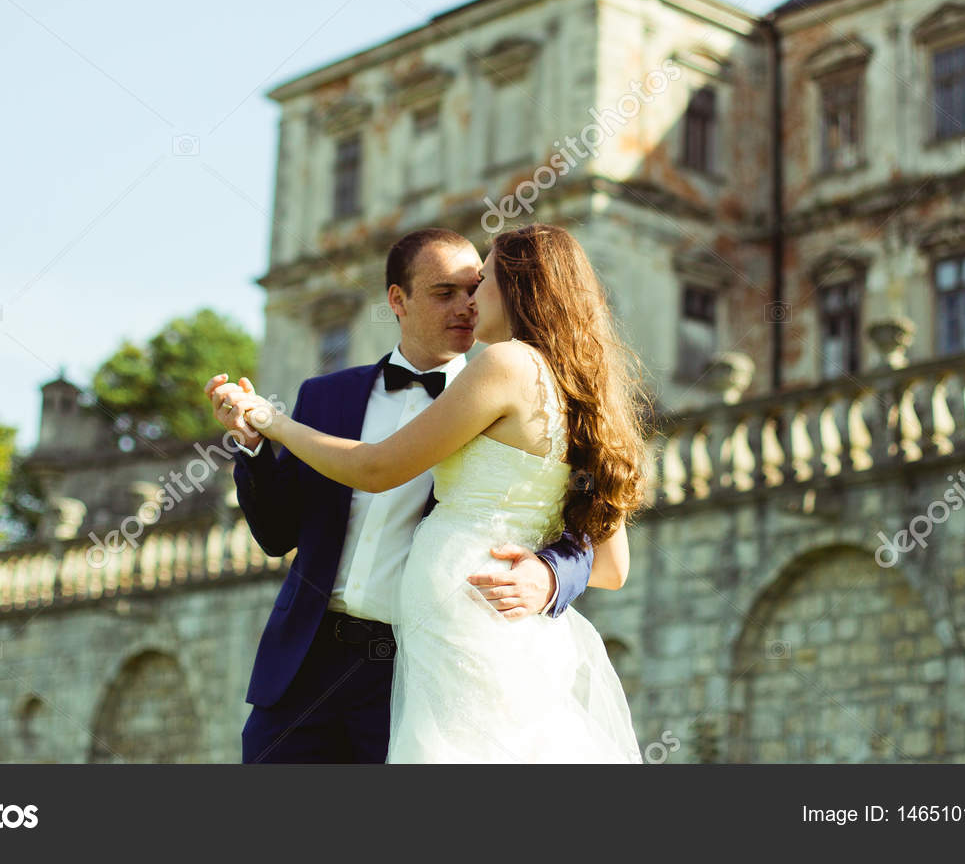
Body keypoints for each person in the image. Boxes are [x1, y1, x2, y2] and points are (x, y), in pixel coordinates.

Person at [213, 223, 648, 762]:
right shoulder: (327, 396)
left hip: (417, 660)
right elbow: (278, 533)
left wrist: (550, 572)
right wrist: (256, 443)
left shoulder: (504, 369)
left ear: (513, 287)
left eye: (477, 285)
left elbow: (593, 539)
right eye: (447, 292)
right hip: (306, 663)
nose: (468, 302)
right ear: (398, 299)